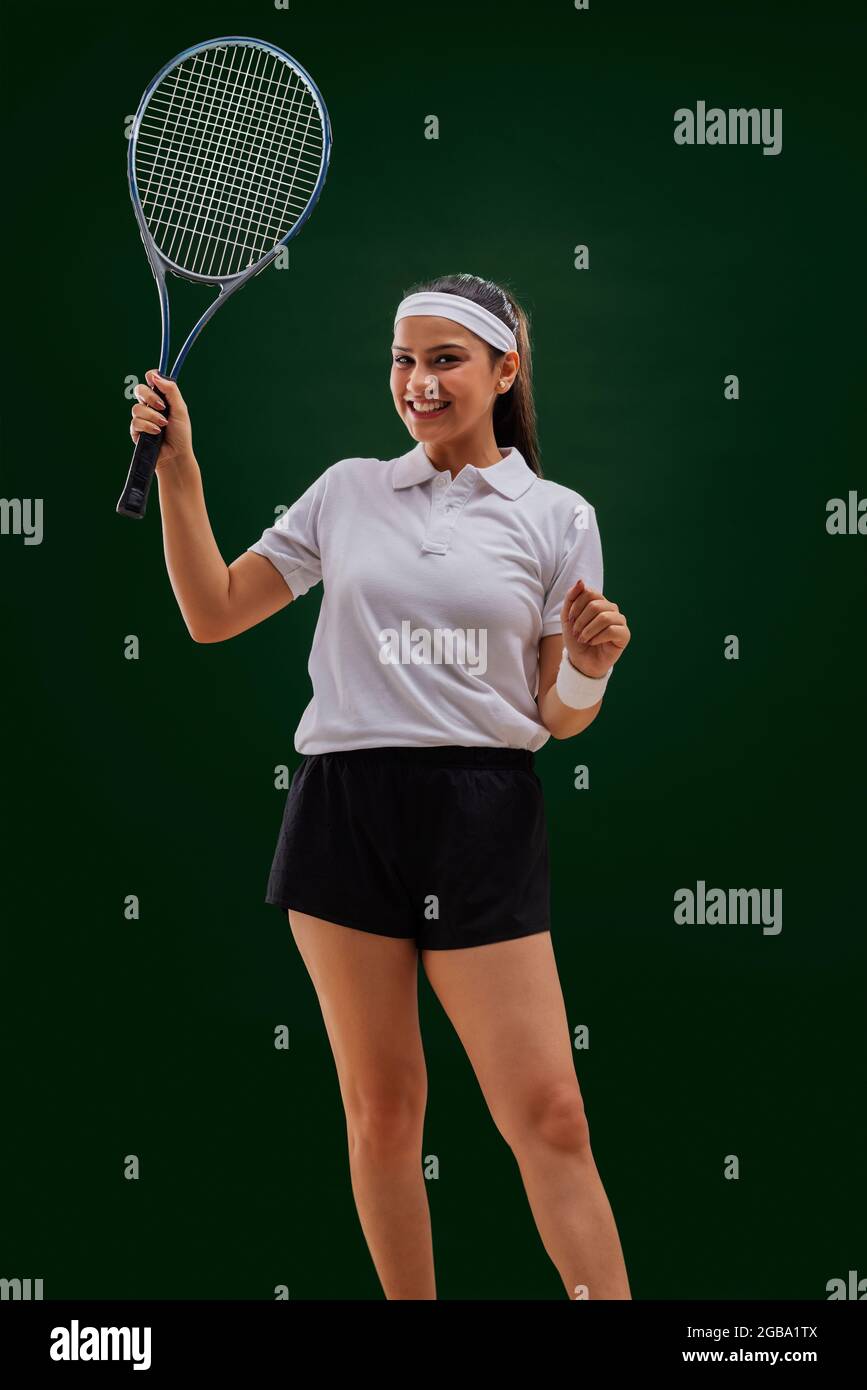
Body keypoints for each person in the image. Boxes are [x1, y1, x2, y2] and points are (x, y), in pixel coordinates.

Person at [130, 271, 633, 1300]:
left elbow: (558, 712)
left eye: (446, 359)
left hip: (484, 814)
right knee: (384, 1109)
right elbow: (214, 611)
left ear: (506, 369)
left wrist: (589, 663)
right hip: (345, 813)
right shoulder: (347, 489)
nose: (419, 382)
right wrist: (180, 472)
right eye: (405, 360)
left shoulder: (558, 515)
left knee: (550, 1113)